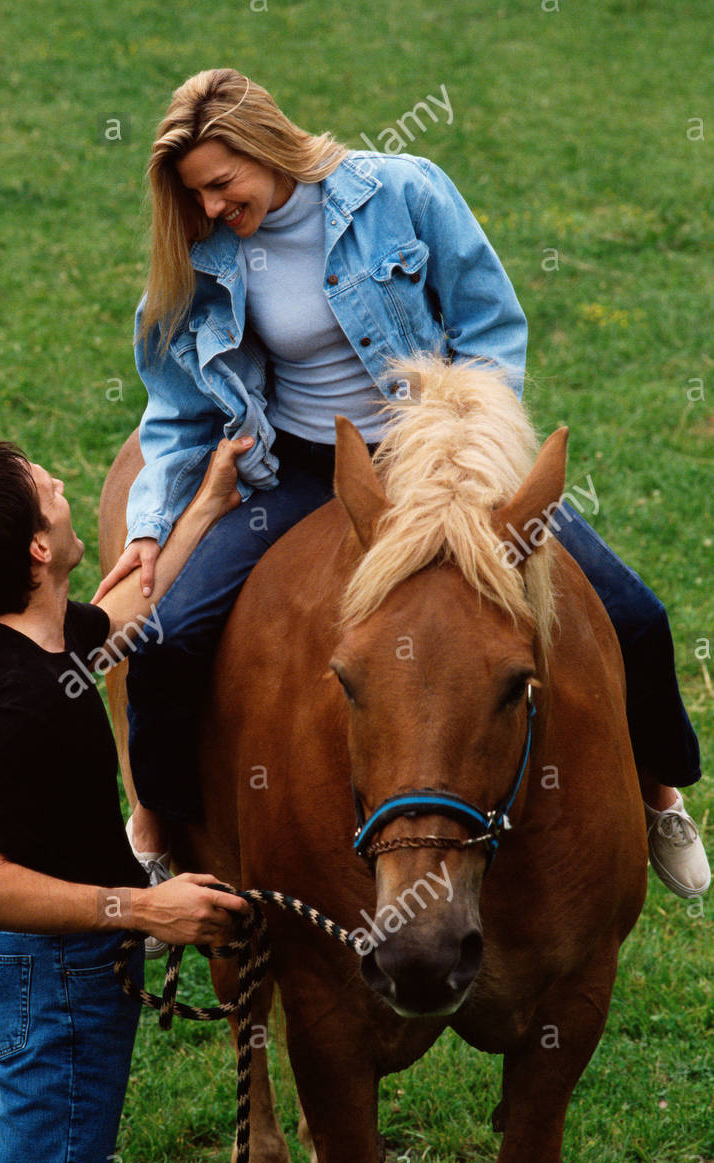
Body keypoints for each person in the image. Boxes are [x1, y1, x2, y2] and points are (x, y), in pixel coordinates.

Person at [94, 66, 709, 904]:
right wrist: (148, 526)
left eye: (221, 183)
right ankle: (160, 821)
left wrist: (467, 450)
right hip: (301, 470)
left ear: (266, 147)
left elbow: (491, 325)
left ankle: (660, 796)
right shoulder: (204, 255)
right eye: (195, 193)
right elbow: (173, 413)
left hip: (441, 467)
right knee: (167, 645)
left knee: (634, 615)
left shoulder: (403, 191)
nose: (210, 206)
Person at [0, 434, 251, 1163]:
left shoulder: (15, 635)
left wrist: (208, 503)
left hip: (50, 970)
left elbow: (117, 622)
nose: (64, 484)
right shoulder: (15, 700)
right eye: (48, 488)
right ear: (40, 549)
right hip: (51, 981)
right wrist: (141, 910)